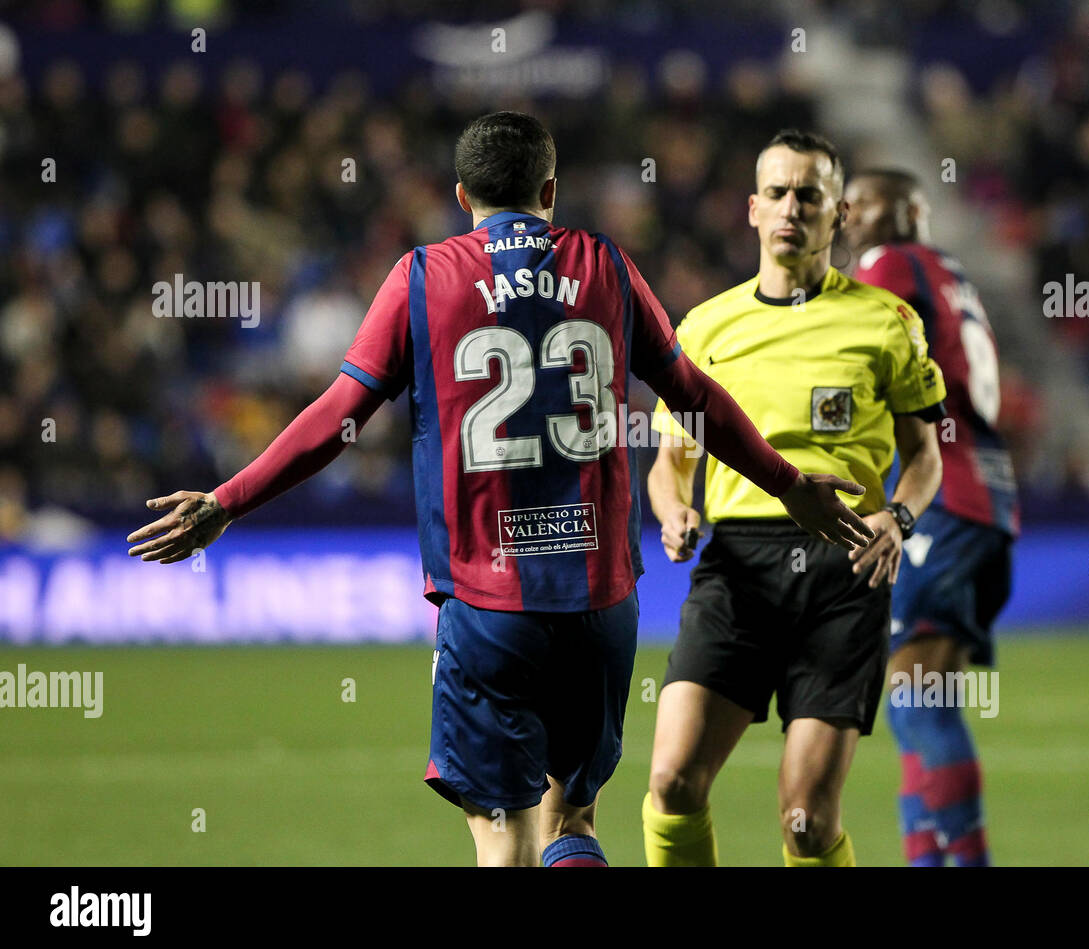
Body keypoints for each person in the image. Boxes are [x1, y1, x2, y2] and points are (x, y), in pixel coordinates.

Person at [126, 111, 873, 867]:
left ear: (460, 195)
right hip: (599, 601)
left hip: (488, 604)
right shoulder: (604, 266)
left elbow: (337, 416)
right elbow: (694, 396)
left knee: (503, 841)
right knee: (573, 821)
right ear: (551, 188)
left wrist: (227, 501)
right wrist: (787, 483)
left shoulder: (422, 277)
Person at [642, 131, 946, 866]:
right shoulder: (705, 328)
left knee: (806, 820)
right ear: (751, 209)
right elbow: (669, 464)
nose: (791, 208)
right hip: (737, 569)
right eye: (776, 192)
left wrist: (896, 516)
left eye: (809, 195)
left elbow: (927, 458)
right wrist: (673, 510)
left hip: (846, 571)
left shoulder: (886, 322)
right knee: (674, 781)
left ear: (839, 213)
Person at [843, 168, 1020, 866]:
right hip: (986, 499)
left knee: (919, 697)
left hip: (943, 500)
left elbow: (856, 353)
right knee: (915, 694)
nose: (851, 216)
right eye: (847, 206)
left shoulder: (889, 264)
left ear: (909, 208)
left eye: (863, 203)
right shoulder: (952, 273)